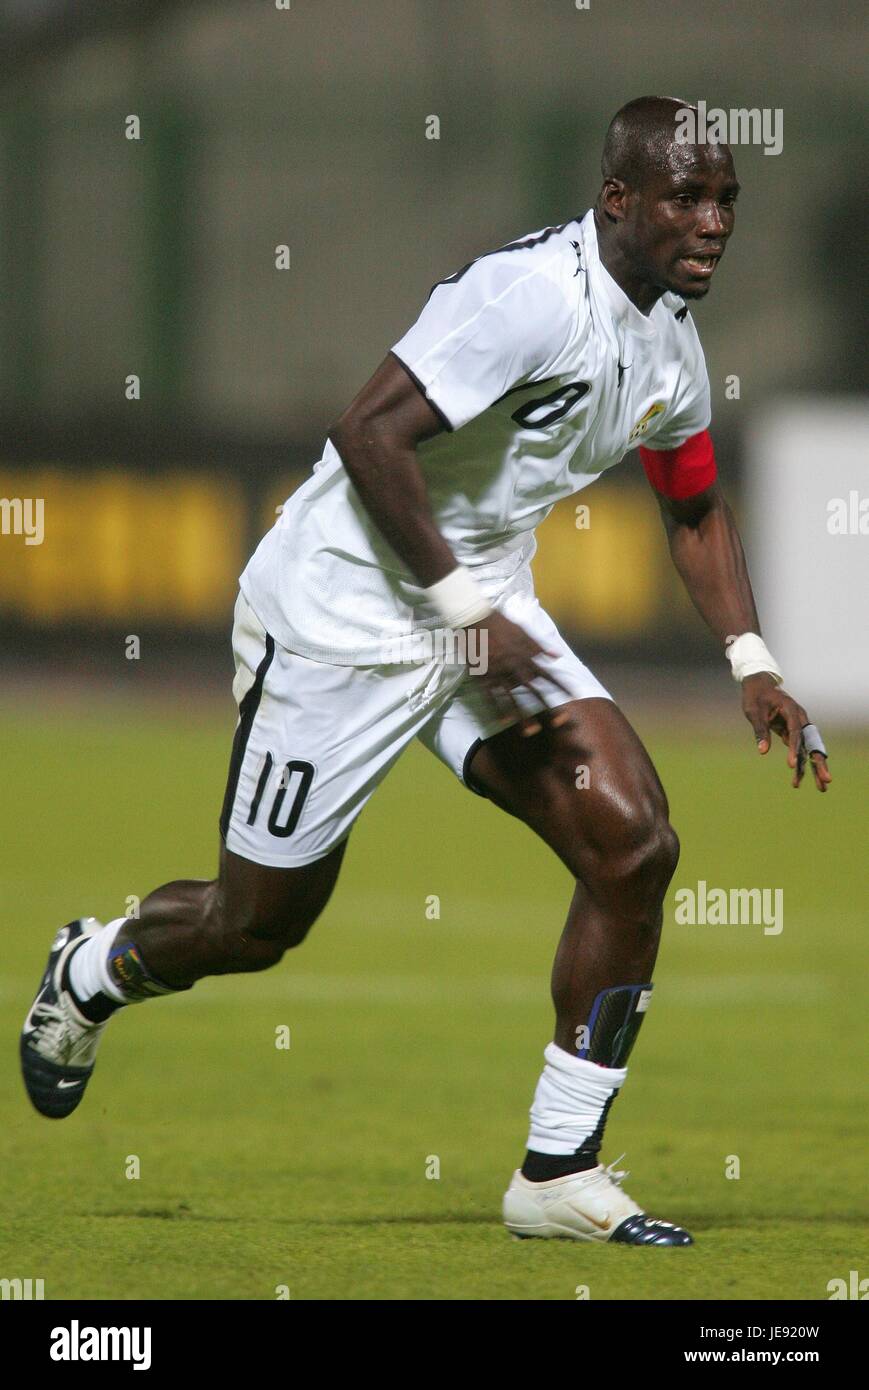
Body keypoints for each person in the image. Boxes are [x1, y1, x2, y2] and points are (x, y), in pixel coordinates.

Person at [21, 96, 829, 1246]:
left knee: (634, 842)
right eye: (686, 198)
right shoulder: (524, 298)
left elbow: (692, 505)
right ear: (616, 200)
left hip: (479, 611)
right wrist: (458, 606)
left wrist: (749, 658)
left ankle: (556, 1171)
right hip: (345, 612)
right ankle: (94, 969)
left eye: (726, 202)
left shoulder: (671, 345)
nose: (712, 224)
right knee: (256, 925)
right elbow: (367, 435)